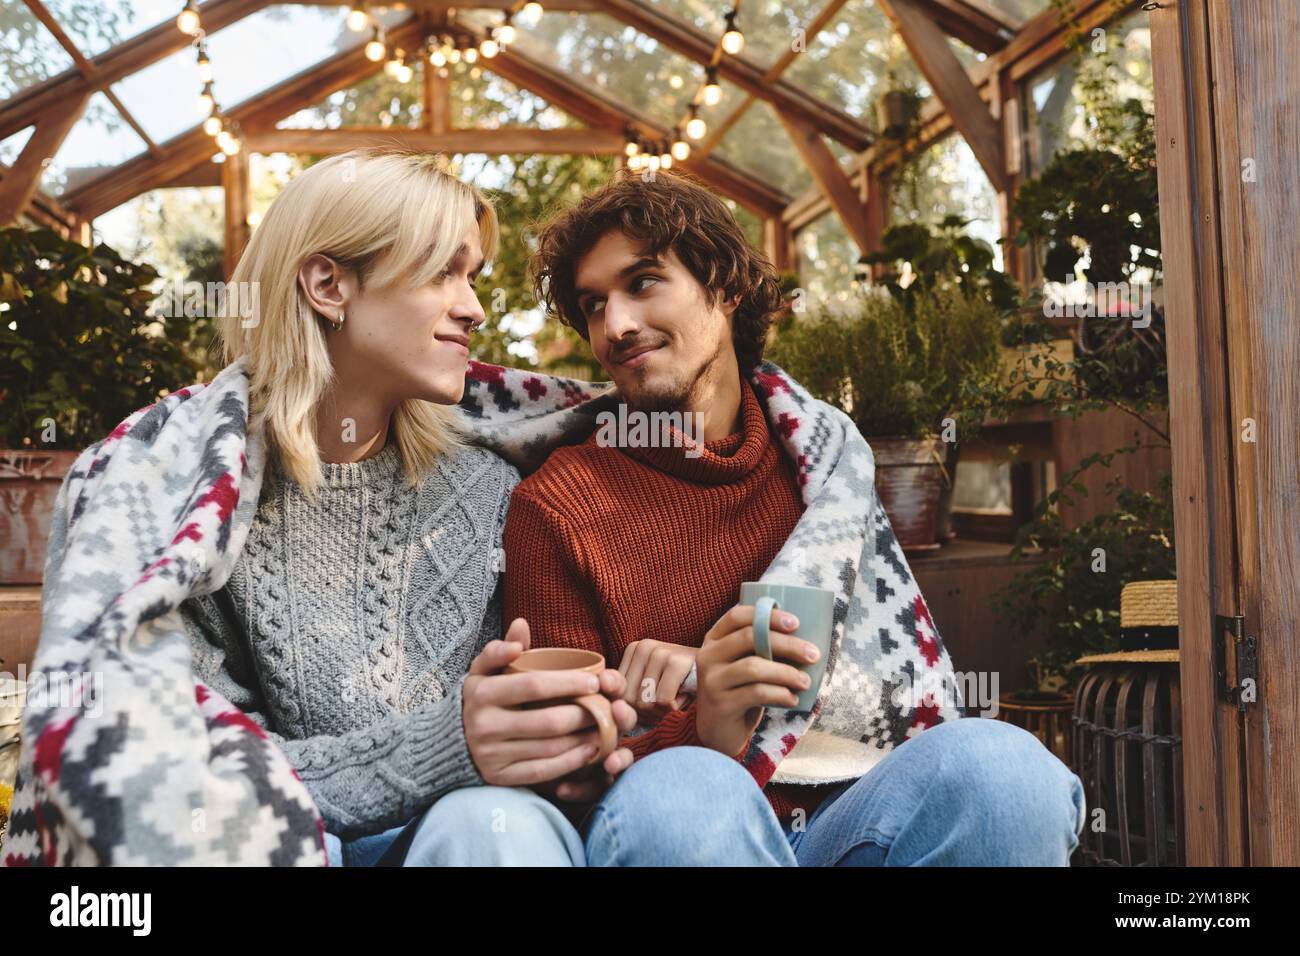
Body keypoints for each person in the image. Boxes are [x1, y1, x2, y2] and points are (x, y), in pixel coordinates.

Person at [492, 169, 1087, 866]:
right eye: (594, 305)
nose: (615, 325)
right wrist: (704, 725)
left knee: (1006, 769)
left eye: (643, 282)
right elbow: (561, 773)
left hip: (852, 810)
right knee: (688, 791)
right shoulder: (555, 505)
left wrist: (707, 674)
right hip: (686, 825)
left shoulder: (824, 459)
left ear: (728, 287)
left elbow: (886, 677)